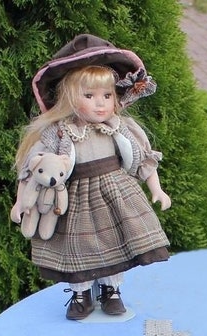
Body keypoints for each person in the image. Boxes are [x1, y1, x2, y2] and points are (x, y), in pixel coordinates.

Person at [13, 34, 172, 320]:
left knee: (116, 244)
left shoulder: (120, 128)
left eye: (107, 96)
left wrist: (156, 190)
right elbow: (34, 168)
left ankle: (111, 291)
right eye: (89, 96)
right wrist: (21, 202)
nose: (100, 104)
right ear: (70, 99)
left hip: (116, 195)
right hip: (76, 201)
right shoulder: (59, 133)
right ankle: (81, 294)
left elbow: (143, 160)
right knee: (78, 249)